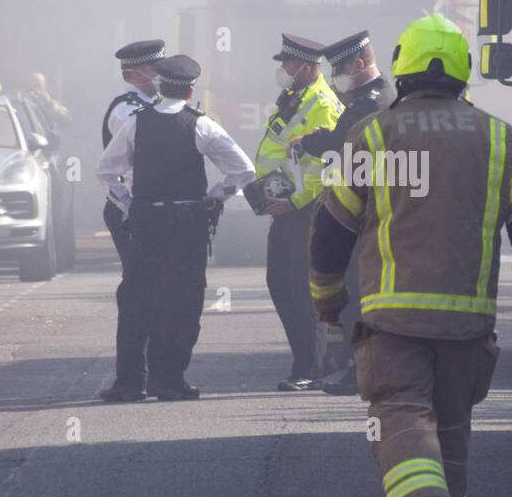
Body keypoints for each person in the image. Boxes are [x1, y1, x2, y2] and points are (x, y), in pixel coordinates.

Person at [308, 14, 512, 497]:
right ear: (462, 71)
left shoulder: (372, 135)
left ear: (404, 68)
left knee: (400, 417)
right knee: (450, 432)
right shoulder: (497, 138)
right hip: (467, 327)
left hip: (393, 322)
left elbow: (331, 231)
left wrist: (326, 297)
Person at [95, 54, 254, 402]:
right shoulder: (201, 124)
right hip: (188, 225)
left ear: (159, 85)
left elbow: (106, 172)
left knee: (137, 300)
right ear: (191, 89)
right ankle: (169, 380)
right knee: (183, 301)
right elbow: (243, 170)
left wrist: (128, 205)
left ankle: (130, 382)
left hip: (147, 224)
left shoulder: (136, 123)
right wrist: (214, 199)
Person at [291, 30, 394, 396]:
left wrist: (308, 142)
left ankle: (362, 369)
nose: (337, 77)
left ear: (361, 64)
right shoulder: (381, 96)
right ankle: (363, 366)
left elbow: (341, 142)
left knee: (356, 293)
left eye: (342, 69)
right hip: (376, 209)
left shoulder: (370, 102)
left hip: (364, 215)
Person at [253, 33, 341, 391]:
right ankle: (310, 360)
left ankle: (310, 368)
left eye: (287, 64)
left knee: (303, 289)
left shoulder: (322, 103)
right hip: (284, 208)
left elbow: (326, 167)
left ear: (306, 67)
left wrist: (296, 202)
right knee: (280, 283)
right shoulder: (294, 97)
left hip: (308, 211)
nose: (282, 69)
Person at [100, 40, 162, 260]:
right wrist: (132, 208)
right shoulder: (128, 110)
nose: (161, 75)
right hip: (132, 205)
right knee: (141, 280)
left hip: (143, 206)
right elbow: (134, 166)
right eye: (156, 69)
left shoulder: (148, 104)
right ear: (136, 73)